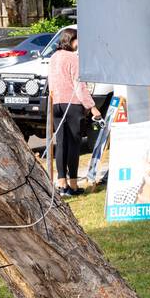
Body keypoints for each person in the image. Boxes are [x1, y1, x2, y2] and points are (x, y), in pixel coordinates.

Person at [48, 29, 101, 198]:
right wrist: (92, 107)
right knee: (74, 144)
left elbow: (51, 82)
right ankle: (73, 183)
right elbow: (79, 85)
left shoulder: (53, 58)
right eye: (77, 40)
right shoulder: (73, 58)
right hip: (72, 104)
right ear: (71, 40)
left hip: (56, 104)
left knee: (61, 143)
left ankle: (61, 182)